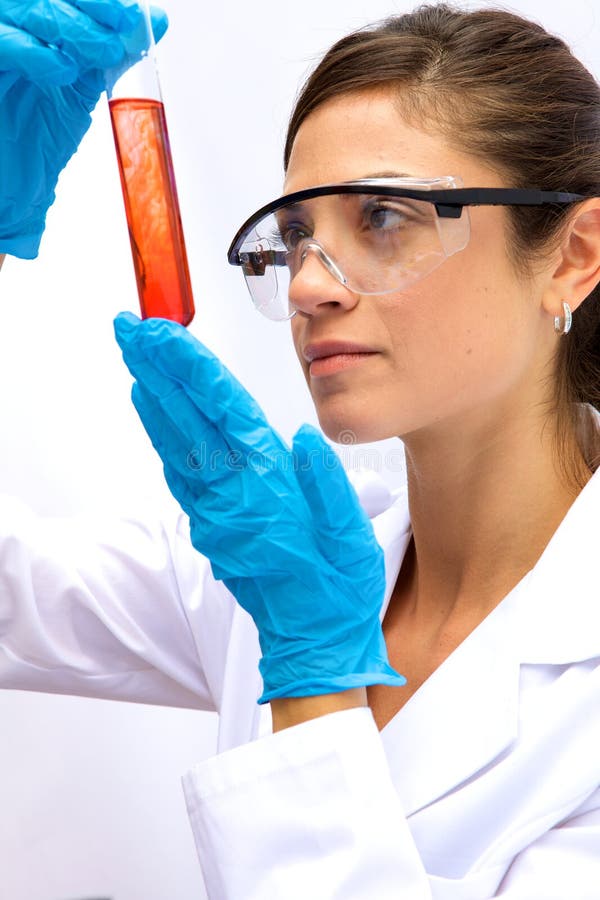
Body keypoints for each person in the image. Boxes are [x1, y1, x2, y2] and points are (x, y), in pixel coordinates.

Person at [1, 1, 600, 897]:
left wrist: (313, 677)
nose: (312, 283)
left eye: (386, 219)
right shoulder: (280, 555)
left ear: (572, 254)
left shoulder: (291, 595)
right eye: (296, 236)